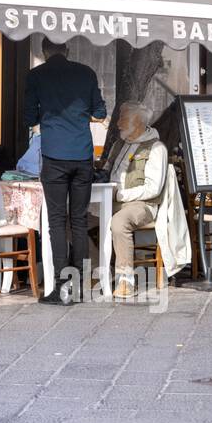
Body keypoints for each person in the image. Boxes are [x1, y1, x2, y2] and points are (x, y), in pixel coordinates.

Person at [24, 37, 106, 304]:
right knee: (79, 221)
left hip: (54, 155)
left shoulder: (36, 75)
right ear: (67, 50)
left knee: (57, 221)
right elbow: (100, 111)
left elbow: (29, 117)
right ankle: (79, 284)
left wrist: (48, 116)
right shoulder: (86, 73)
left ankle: (61, 286)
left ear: (44, 51)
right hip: (83, 155)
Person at [105, 102, 169, 298]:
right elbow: (107, 170)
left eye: (122, 119)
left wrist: (121, 194)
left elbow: (153, 188)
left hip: (142, 205)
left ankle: (126, 281)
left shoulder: (156, 148)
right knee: (79, 219)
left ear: (138, 122)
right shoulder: (119, 144)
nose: (117, 124)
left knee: (119, 222)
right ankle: (97, 271)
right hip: (112, 199)